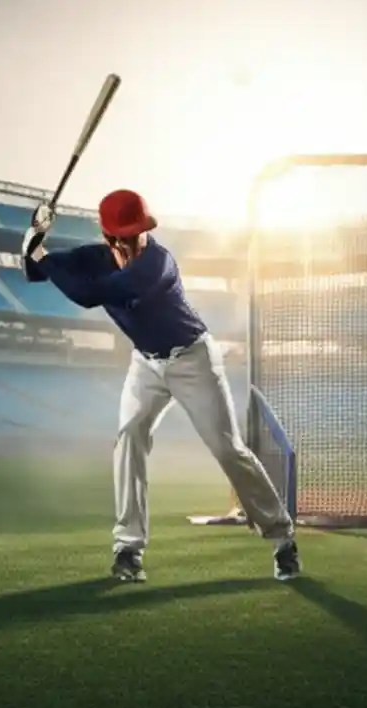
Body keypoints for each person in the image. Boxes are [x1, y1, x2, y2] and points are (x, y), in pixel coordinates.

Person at [22, 189, 301, 582]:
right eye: (128, 236)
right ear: (109, 238)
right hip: (145, 364)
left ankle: (283, 538)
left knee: (227, 449)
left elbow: (85, 294)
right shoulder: (94, 257)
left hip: (193, 359)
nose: (137, 241)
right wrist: (33, 239)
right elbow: (33, 271)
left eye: (141, 233)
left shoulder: (158, 263)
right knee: (129, 437)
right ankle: (128, 550)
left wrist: (41, 253)